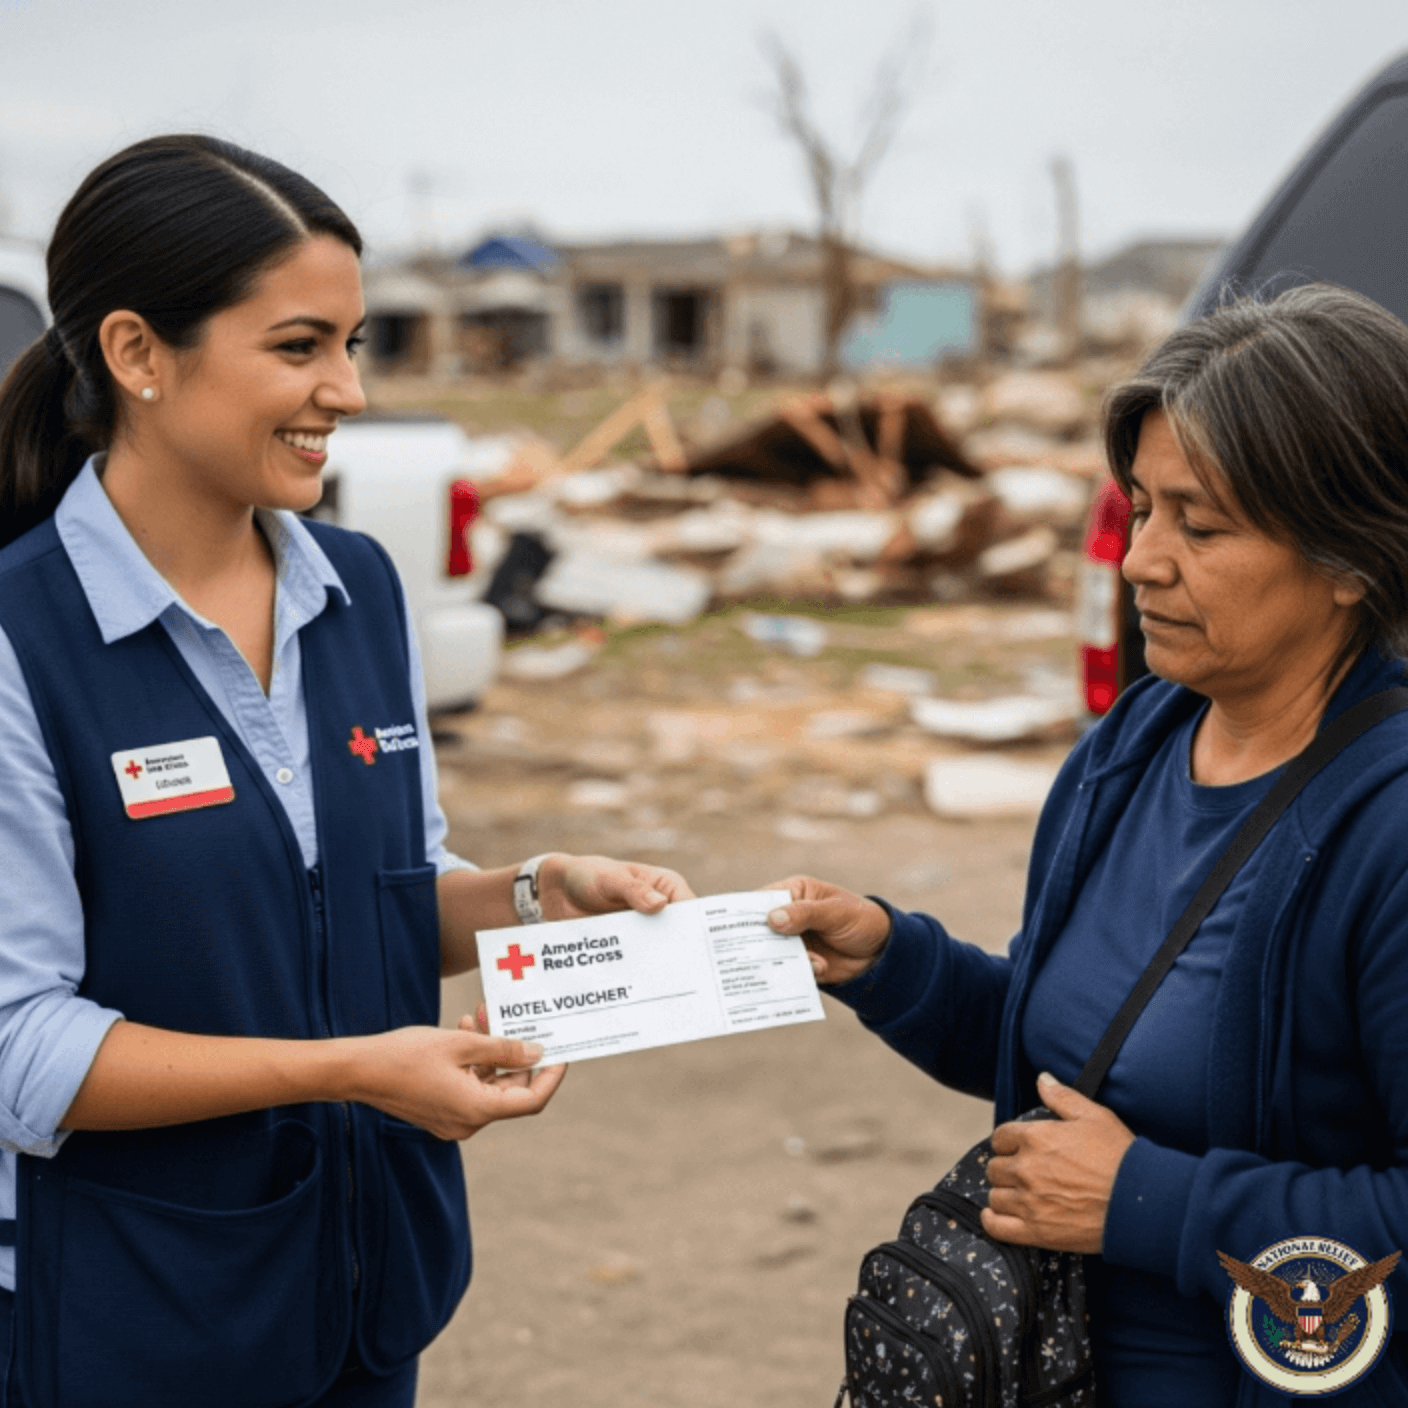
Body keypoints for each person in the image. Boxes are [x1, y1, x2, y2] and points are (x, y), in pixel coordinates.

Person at [0, 134, 692, 1408]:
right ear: (138, 353)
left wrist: (536, 891)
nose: (348, 392)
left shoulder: (358, 589)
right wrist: (349, 1067)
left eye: (353, 345)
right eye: (298, 346)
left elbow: (369, 891)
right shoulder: (22, 641)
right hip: (135, 1307)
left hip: (366, 1296)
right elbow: (22, 1049)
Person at [766, 284, 1408, 1404]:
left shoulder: (1387, 826)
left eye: (1199, 526)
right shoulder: (1140, 741)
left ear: (1350, 558)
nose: (1139, 562)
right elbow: (1080, 1062)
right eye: (1141, 509)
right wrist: (890, 961)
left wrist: (1147, 1204)